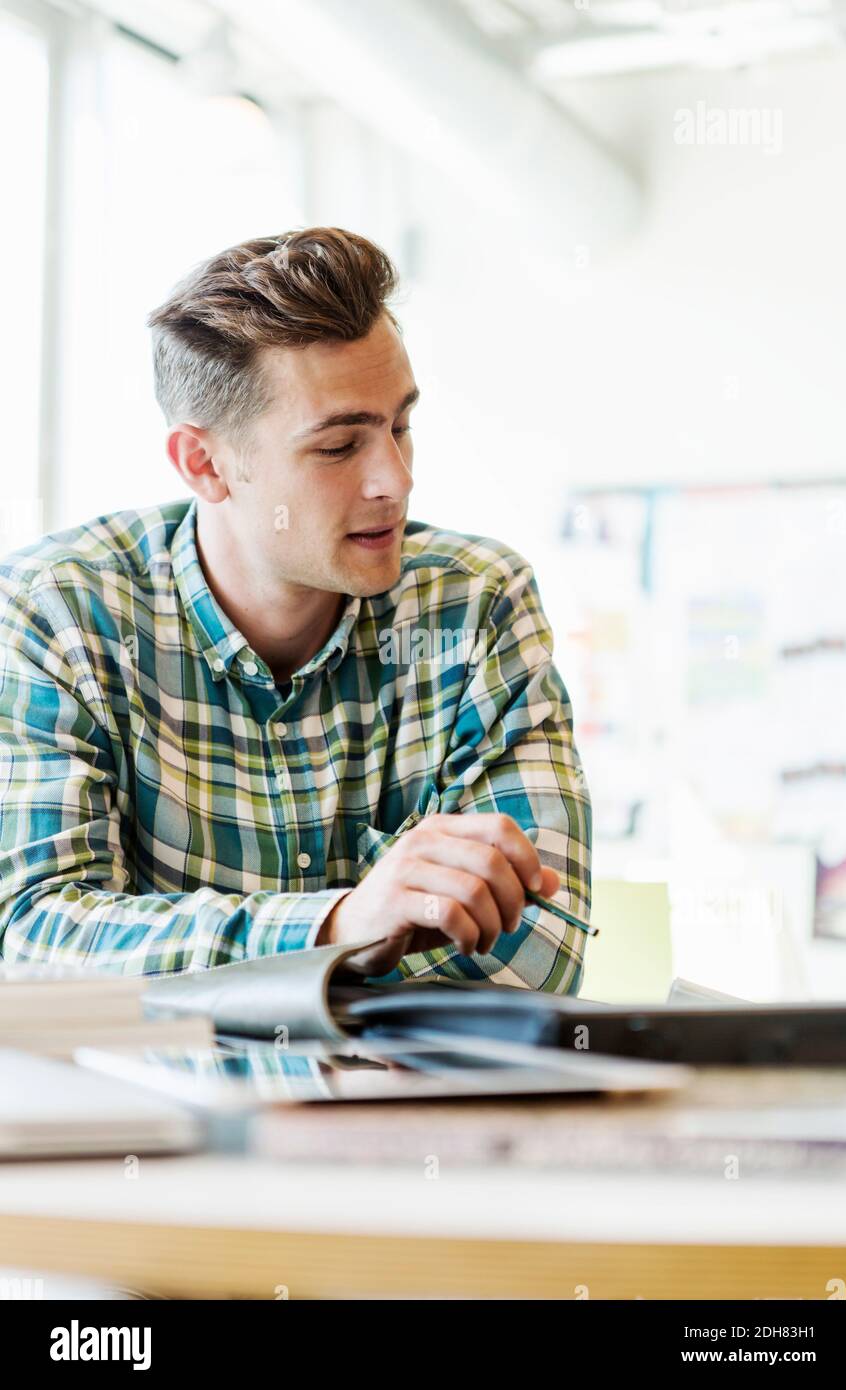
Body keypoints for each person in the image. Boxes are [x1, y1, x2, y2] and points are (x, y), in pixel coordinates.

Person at [0, 227, 591, 989]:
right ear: (205, 463)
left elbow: (537, 952)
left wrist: (201, 970)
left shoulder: (476, 607)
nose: (396, 479)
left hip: (406, 1109)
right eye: (341, 447)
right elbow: (32, 938)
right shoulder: (59, 615)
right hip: (157, 1110)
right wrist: (338, 926)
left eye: (401, 425)